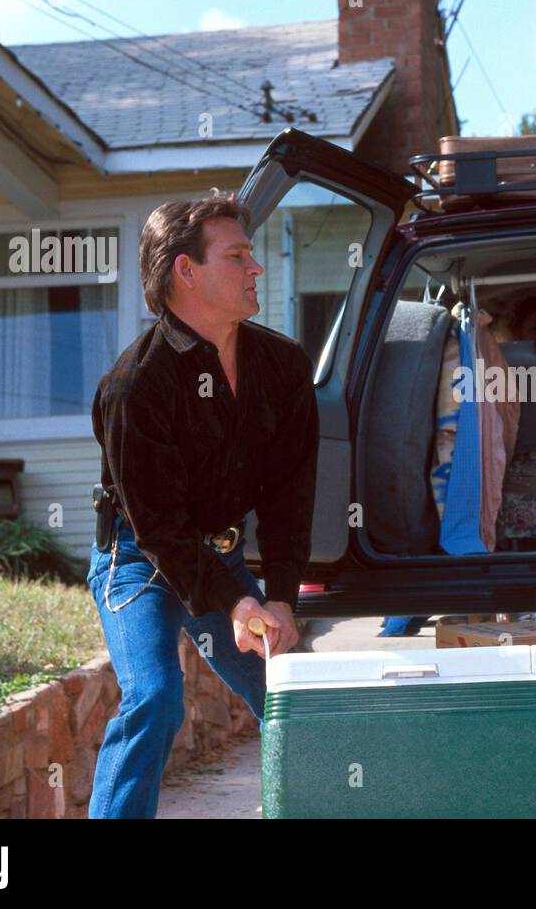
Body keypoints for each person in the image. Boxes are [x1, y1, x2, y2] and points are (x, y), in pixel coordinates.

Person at [86, 191, 319, 818]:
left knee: (290, 693)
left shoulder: (283, 365)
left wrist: (280, 597)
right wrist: (237, 601)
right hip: (137, 558)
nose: (256, 267)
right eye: (237, 254)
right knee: (155, 695)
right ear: (184, 271)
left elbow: (289, 495)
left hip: (217, 550)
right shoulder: (136, 385)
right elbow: (158, 526)